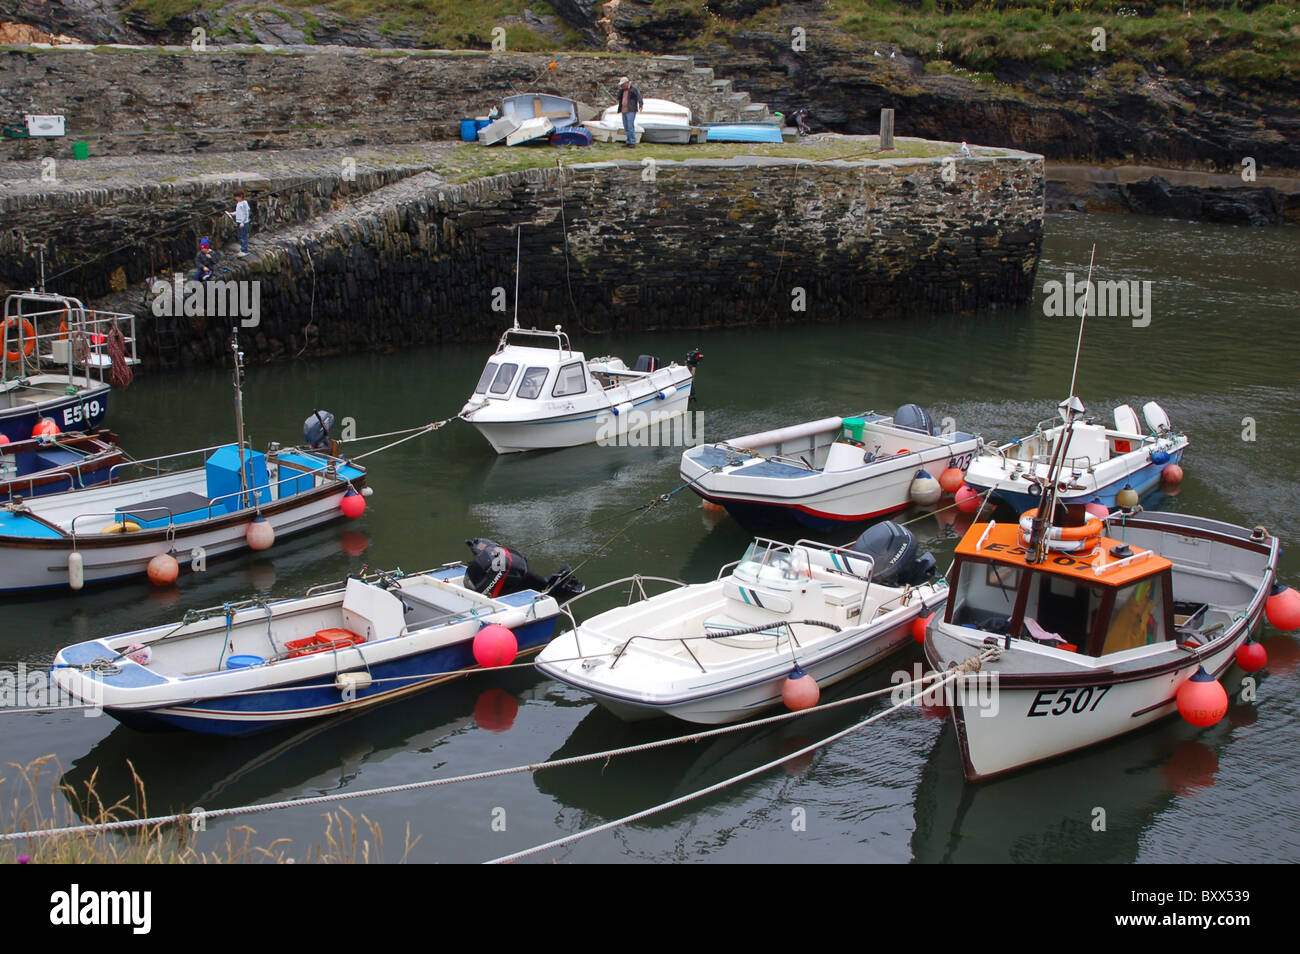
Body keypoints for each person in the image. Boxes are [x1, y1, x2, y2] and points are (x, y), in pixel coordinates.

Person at [615, 75, 643, 148]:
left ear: (627, 83)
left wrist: (640, 104)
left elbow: (639, 97)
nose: (621, 86)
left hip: (631, 110)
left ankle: (632, 142)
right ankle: (628, 141)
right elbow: (618, 98)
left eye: (622, 85)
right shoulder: (622, 91)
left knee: (630, 126)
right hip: (624, 110)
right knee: (626, 127)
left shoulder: (633, 89)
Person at [232, 190, 251, 257]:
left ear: (241, 196)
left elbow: (246, 213)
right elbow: (238, 212)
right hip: (239, 221)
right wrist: (232, 214)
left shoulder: (244, 203)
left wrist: (242, 222)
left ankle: (244, 250)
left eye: (237, 197)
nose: (236, 198)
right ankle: (242, 248)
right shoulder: (238, 203)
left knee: (243, 236)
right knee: (240, 236)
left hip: (243, 223)